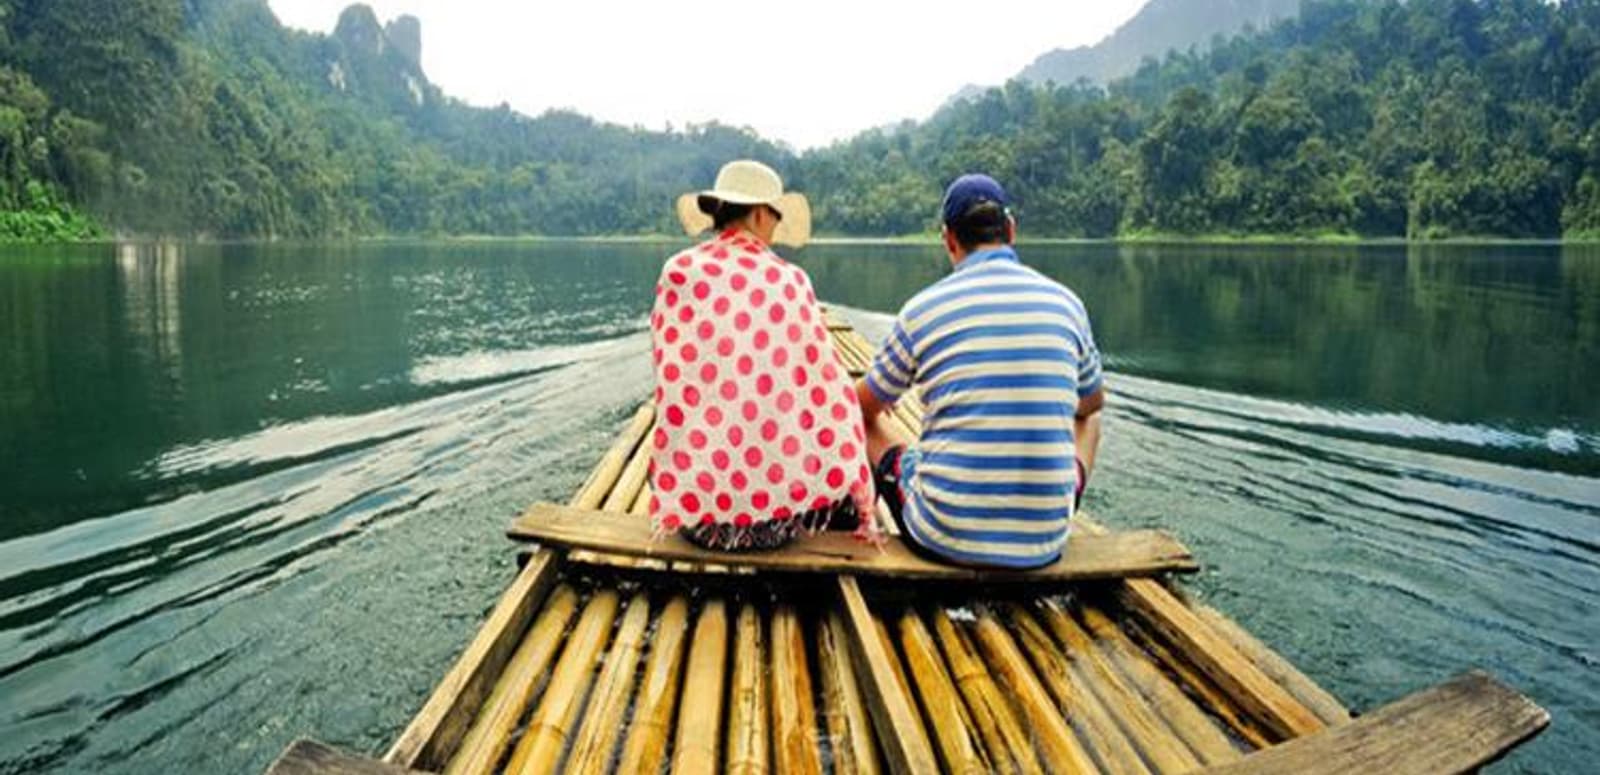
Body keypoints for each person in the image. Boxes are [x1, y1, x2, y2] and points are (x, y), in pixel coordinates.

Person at [855, 174, 1106, 568]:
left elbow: (859, 408)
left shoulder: (922, 309)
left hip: (942, 534)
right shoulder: (1067, 303)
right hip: (1045, 543)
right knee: (1090, 421)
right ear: (1011, 230)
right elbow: (1091, 403)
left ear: (948, 240)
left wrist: (865, 396)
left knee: (866, 423)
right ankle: (1039, 505)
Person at [649, 160, 876, 550]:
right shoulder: (791, 280)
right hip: (778, 523)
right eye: (774, 216)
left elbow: (671, 380)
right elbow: (828, 386)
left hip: (700, 520)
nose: (774, 227)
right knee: (837, 409)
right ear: (758, 213)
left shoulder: (679, 271)